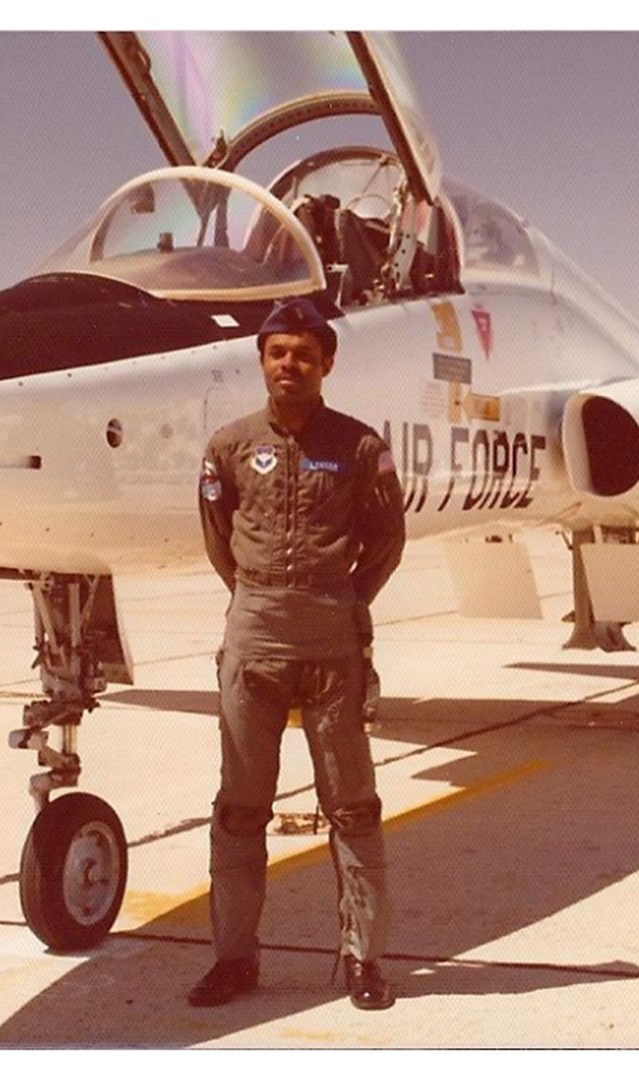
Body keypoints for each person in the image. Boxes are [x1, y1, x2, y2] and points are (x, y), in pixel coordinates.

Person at [190, 297, 406, 1011]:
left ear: (327, 364)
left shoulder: (360, 447)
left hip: (330, 647)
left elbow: (386, 541)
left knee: (353, 807)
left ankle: (364, 960)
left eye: (304, 355)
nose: (290, 364)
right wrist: (259, 598)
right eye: (278, 352)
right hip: (254, 641)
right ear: (262, 360)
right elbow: (220, 537)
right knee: (240, 808)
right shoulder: (228, 446)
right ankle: (233, 959)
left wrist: (344, 603)